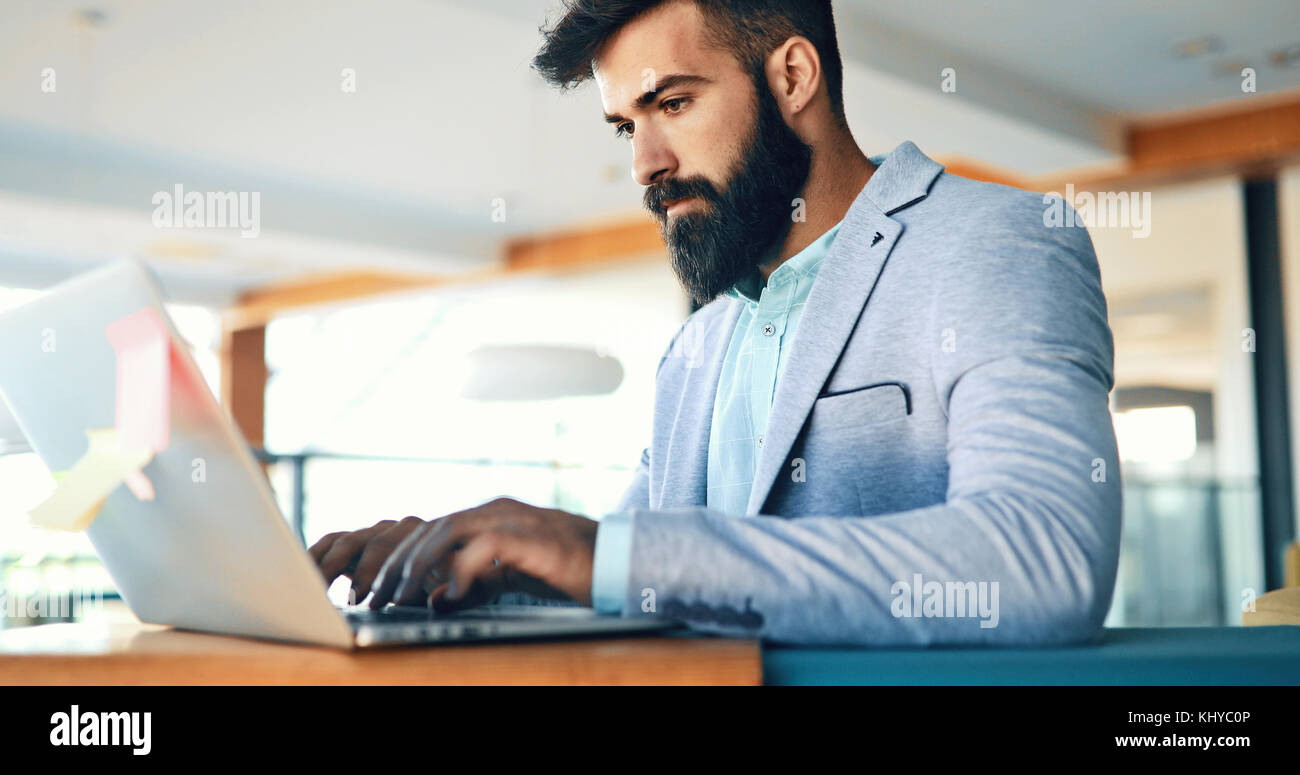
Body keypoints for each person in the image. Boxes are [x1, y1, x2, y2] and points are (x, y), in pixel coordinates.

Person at [308, 0, 1121, 645]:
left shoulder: (997, 240)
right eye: (627, 125)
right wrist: (469, 567)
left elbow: (1044, 557)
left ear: (793, 77)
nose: (644, 164)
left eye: (672, 102)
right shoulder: (695, 347)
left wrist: (599, 553)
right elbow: (630, 574)